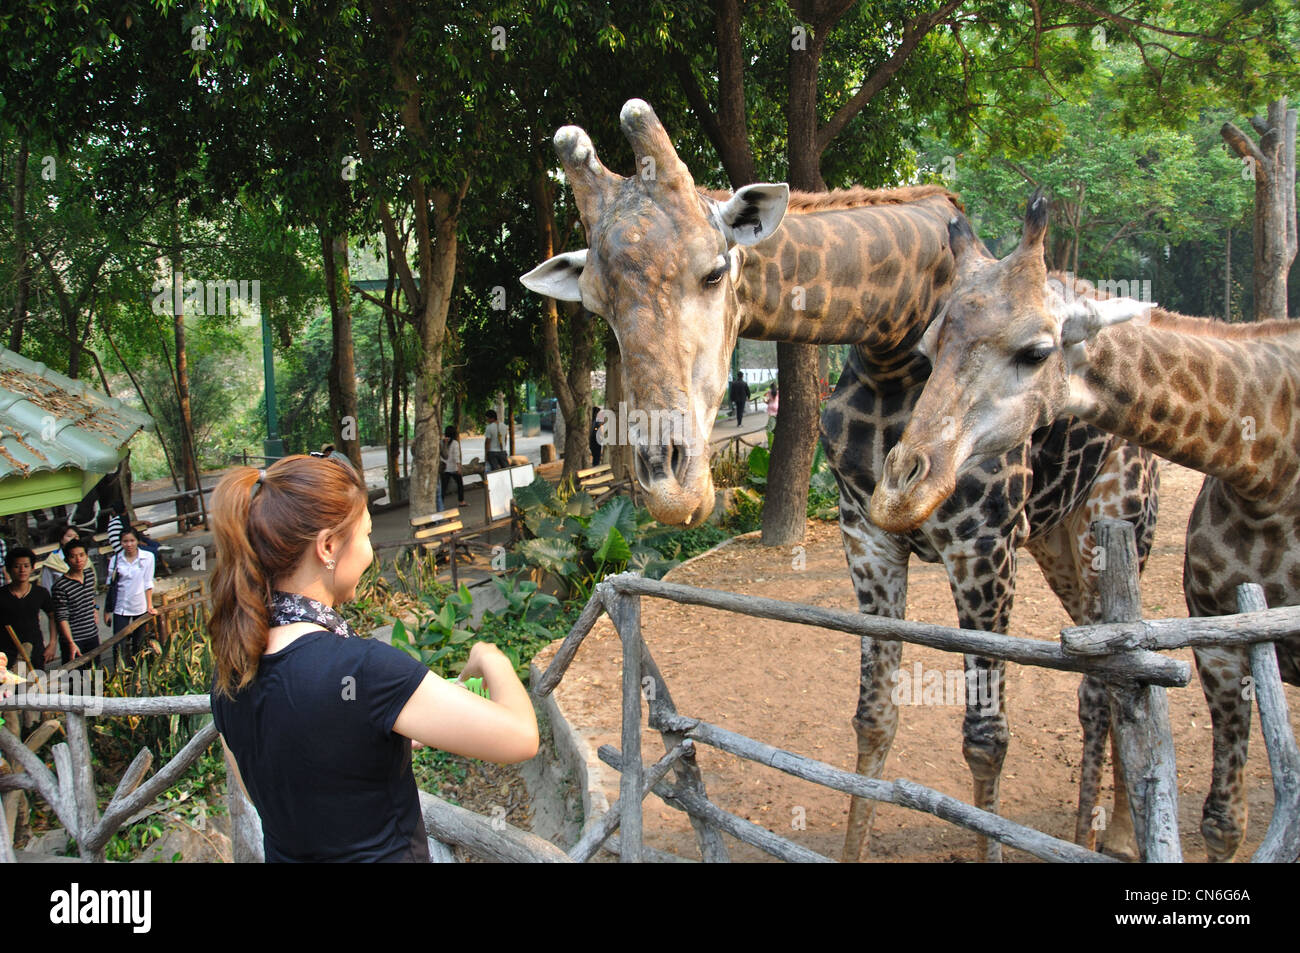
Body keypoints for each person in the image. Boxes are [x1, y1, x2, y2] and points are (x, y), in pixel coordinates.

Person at [207, 454, 538, 862]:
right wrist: (489, 657)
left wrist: (371, 737)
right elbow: (521, 736)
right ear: (328, 546)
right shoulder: (364, 669)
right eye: (365, 534)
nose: (370, 552)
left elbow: (278, 788)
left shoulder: (230, 673)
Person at [0, 547, 57, 669]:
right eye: (17, 566)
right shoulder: (2, 595)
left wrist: (52, 644)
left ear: (32, 568)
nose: (22, 570)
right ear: (9, 569)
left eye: (26, 566)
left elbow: (53, 616)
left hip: (35, 650)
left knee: (35, 686)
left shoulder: (40, 593)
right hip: (7, 653)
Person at [107, 526, 157, 663]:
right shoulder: (116, 560)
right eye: (125, 541)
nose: (129, 544)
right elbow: (111, 586)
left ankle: (138, 672)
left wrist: (149, 605)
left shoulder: (147, 557)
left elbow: (148, 582)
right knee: (119, 642)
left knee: (139, 642)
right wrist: (107, 610)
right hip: (121, 606)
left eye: (132, 541)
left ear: (137, 541)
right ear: (121, 543)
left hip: (139, 605)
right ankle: (120, 673)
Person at [52, 539, 99, 665]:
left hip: (92, 634)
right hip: (74, 639)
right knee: (76, 680)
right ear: (66, 560)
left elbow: (91, 597)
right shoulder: (60, 586)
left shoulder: (89, 575)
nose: (78, 560)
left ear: (86, 556)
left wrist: (96, 609)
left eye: (81, 555)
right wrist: (71, 643)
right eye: (73, 556)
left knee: (97, 676)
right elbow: (62, 617)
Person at [41, 524, 95, 594]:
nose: (74, 539)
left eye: (76, 536)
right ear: (61, 539)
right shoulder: (52, 562)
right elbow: (47, 587)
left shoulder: (84, 558)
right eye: (69, 536)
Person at [441, 425, 465, 507]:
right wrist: (459, 467)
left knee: (443, 488)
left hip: (444, 468)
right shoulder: (455, 443)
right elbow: (456, 456)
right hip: (454, 468)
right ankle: (461, 501)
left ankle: (440, 504)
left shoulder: (441, 442)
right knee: (460, 485)